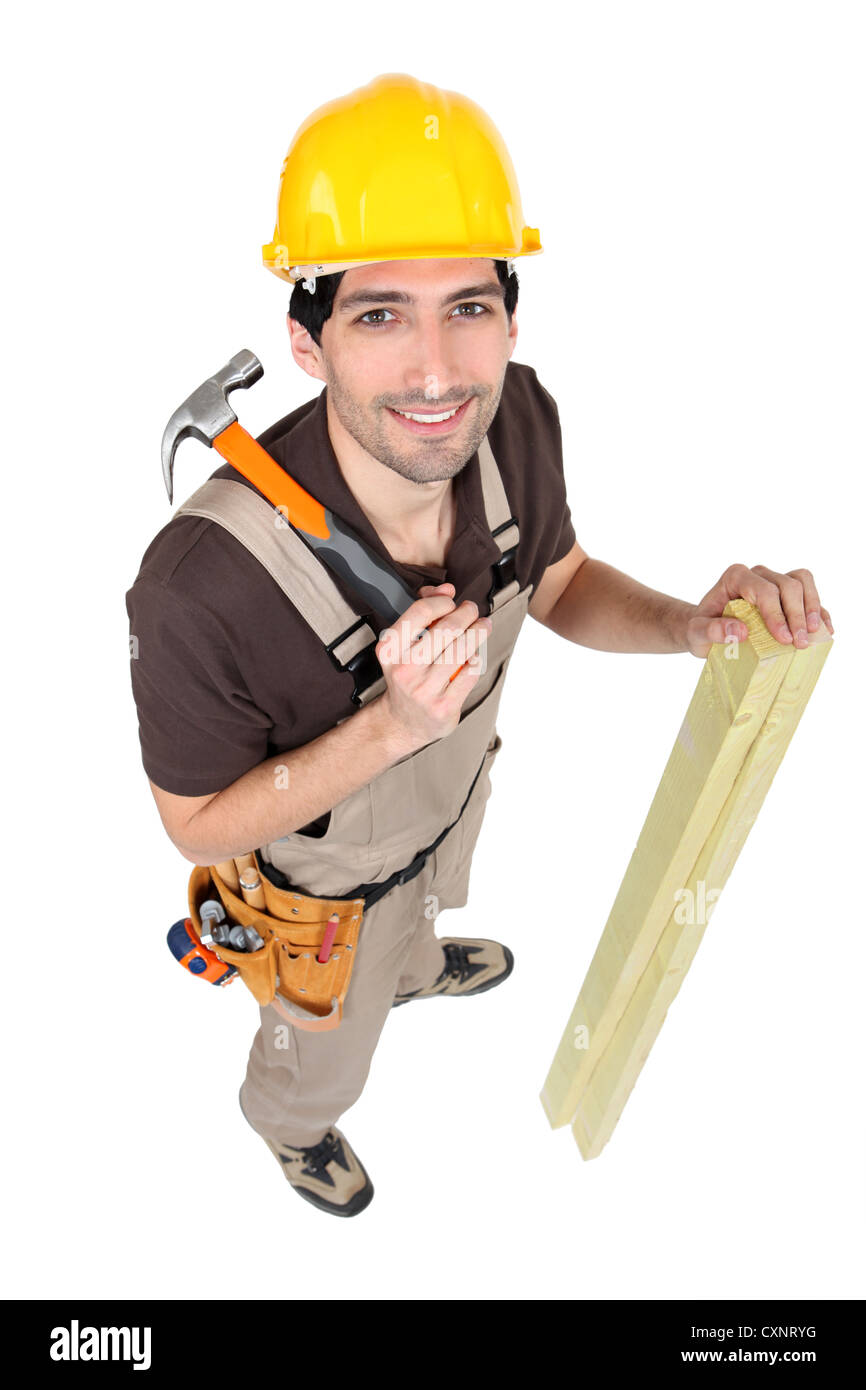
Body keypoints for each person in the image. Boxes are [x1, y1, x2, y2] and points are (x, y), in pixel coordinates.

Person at [125, 74, 833, 1219]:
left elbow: (554, 579)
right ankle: (291, 1122)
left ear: (511, 314)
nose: (435, 372)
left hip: (449, 811)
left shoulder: (514, 421)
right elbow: (192, 823)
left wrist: (684, 627)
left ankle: (412, 965)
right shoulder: (199, 588)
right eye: (377, 313)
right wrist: (394, 724)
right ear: (305, 340)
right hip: (322, 900)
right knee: (328, 1049)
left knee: (424, 907)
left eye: (466, 305)